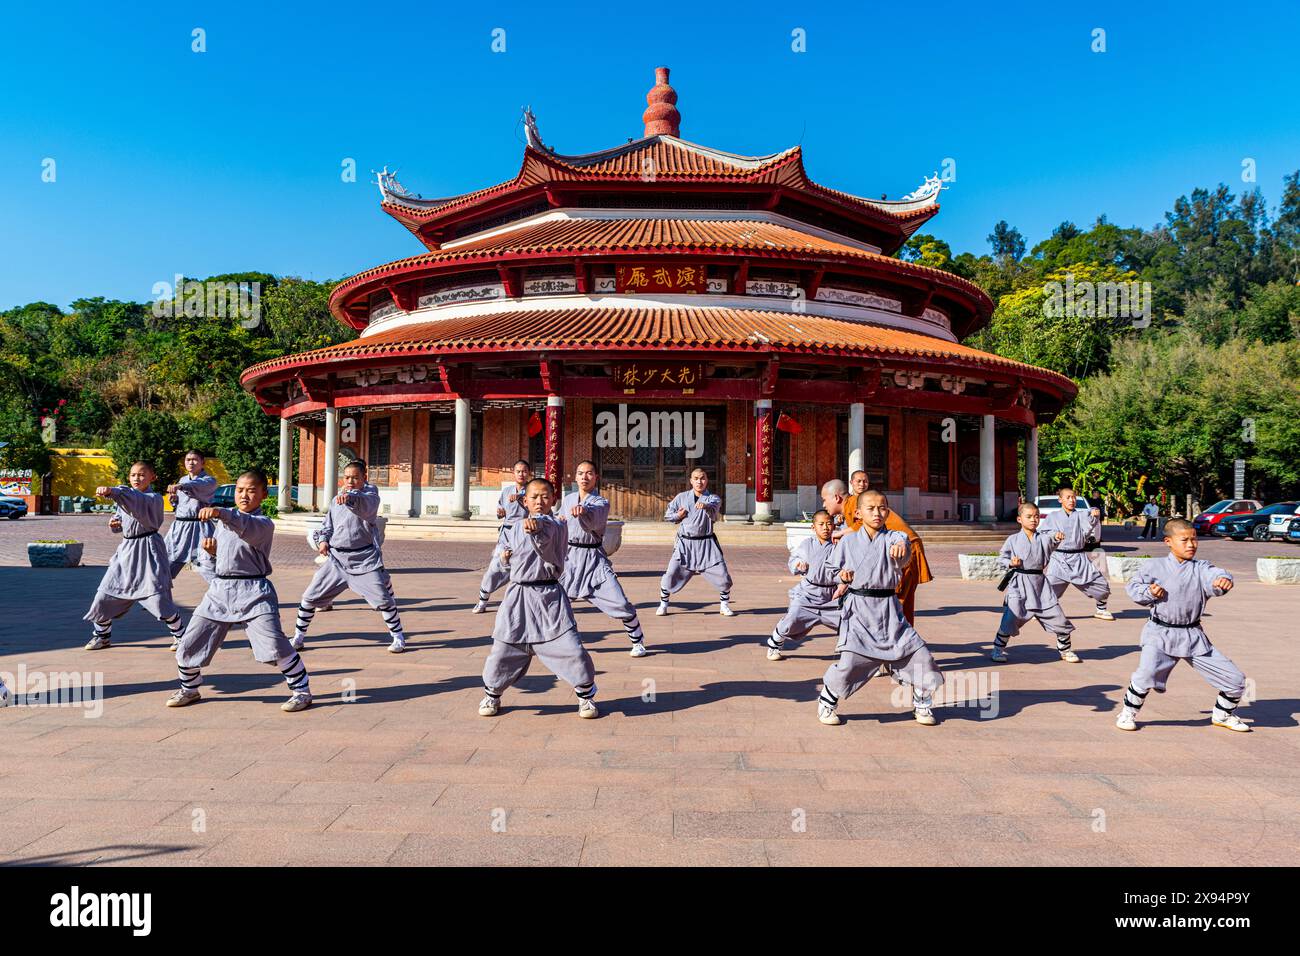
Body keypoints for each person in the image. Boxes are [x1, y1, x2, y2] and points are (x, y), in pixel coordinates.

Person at [168, 470, 311, 712]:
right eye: (240, 490)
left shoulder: (263, 524)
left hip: (254, 592)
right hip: (220, 591)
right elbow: (213, 565)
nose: (244, 495)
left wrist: (220, 512)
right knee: (189, 643)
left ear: (264, 494)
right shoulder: (223, 524)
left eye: (251, 490)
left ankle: (301, 692)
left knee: (275, 645)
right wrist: (213, 555)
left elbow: (245, 525)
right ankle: (190, 688)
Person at [817, 490, 943, 727]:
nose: (877, 513)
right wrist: (841, 576)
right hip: (860, 611)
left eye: (882, 508)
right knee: (851, 663)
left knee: (920, 656)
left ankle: (922, 702)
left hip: (889, 610)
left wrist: (900, 549)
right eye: (871, 508)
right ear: (857, 513)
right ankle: (827, 700)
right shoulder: (848, 541)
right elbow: (832, 569)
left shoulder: (895, 537)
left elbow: (903, 547)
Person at [478, 477, 600, 719]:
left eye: (545, 496)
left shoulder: (558, 526)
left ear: (554, 500)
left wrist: (537, 532)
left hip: (549, 598)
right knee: (502, 651)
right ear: (525, 501)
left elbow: (549, 548)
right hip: (518, 599)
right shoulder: (512, 529)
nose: (539, 501)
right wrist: (503, 560)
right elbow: (500, 563)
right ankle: (492, 694)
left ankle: (585, 696)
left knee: (572, 650)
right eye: (534, 497)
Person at [1116, 519, 1249, 733]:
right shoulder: (1154, 566)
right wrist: (1148, 592)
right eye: (1184, 540)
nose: (1191, 544)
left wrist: (1223, 580)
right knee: (1146, 674)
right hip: (1160, 633)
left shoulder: (1201, 567)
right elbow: (1133, 587)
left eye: (1194, 539)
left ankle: (1222, 714)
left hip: (1193, 635)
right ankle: (1127, 712)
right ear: (1169, 541)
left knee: (1236, 679)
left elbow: (1216, 575)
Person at [292, 460, 406, 653]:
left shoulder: (370, 496)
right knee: (309, 598)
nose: (350, 481)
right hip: (336, 561)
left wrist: (350, 498)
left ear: (364, 478)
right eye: (347, 477)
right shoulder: (336, 500)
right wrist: (323, 541)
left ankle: (398, 638)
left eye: (355, 477)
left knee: (384, 600)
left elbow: (365, 506)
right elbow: (327, 526)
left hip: (364, 561)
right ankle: (297, 638)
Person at [83, 462, 186, 651]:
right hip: (127, 551)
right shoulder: (127, 497)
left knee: (158, 597)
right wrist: (115, 524)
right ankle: (102, 636)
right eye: (133, 475)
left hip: (149, 550)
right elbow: (123, 520)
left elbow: (135, 501)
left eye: (141, 475)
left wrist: (113, 491)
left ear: (152, 477)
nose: (136, 478)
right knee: (105, 593)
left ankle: (181, 636)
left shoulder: (152, 498)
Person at [558, 460, 648, 657]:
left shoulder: (600, 503)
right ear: (575, 476)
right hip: (570, 559)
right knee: (554, 602)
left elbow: (594, 521)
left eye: (589, 473)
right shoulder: (568, 500)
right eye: (580, 473)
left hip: (594, 560)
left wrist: (584, 512)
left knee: (620, 602)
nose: (584, 477)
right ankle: (554, 644)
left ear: (596, 477)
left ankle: (637, 640)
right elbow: (560, 521)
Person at [842, 470, 932, 625]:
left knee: (898, 597)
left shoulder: (862, 500)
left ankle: (900, 636)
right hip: (902, 547)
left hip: (904, 548)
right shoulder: (856, 501)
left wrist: (839, 533)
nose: (862, 484)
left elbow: (859, 526)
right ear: (851, 483)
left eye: (865, 481)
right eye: (858, 481)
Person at [992, 502, 1078, 663]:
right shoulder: (1013, 539)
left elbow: (1052, 537)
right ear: (1019, 519)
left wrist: (1057, 536)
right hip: (1019, 584)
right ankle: (998, 649)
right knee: (1011, 618)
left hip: (1040, 585)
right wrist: (1011, 562)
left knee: (1058, 617)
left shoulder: (1044, 538)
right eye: (1029, 516)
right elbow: (1001, 558)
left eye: (1036, 516)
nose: (1033, 520)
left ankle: (1065, 650)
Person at [657, 467, 733, 616]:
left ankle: (724, 605)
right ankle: (663, 604)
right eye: (696, 478)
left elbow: (714, 507)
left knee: (723, 576)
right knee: (671, 574)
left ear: (707, 481)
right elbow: (668, 515)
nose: (699, 481)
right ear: (691, 481)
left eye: (702, 478)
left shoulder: (713, 498)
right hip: (686, 545)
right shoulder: (681, 497)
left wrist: (705, 506)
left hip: (707, 545)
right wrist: (678, 515)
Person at [767, 509, 840, 661]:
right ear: (813, 527)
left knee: (848, 621)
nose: (825, 527)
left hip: (831, 596)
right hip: (807, 594)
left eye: (829, 524)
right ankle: (775, 641)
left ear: (834, 526)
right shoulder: (807, 544)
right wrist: (798, 565)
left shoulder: (839, 546)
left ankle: (855, 654)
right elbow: (793, 560)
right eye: (821, 524)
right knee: (792, 618)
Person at [1039, 484, 1114, 621]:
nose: (1071, 500)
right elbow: (1044, 533)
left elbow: (1091, 514)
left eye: (1073, 497)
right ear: (1060, 500)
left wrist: (1094, 511)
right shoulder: (1053, 517)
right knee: (1049, 587)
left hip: (1079, 557)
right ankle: (1041, 611)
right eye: (1068, 497)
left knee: (1100, 583)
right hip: (1059, 558)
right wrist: (1054, 535)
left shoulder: (1080, 515)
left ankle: (1101, 609)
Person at [474, 460, 533, 613]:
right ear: (513, 473)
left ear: (529, 473)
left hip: (524, 535)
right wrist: (500, 512)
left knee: (524, 569)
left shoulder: (532, 491)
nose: (521, 474)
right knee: (495, 567)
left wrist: (521, 498)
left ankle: (524, 604)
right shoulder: (507, 491)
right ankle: (483, 599)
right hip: (506, 535)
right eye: (518, 471)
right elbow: (501, 508)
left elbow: (537, 510)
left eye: (524, 471)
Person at [164, 450, 218, 582]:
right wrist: (174, 499)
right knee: (166, 564)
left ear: (202, 462)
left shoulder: (209, 481)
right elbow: (179, 505)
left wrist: (182, 486)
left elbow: (197, 487)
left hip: (200, 528)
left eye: (194, 459)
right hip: (180, 528)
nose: (191, 462)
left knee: (206, 565)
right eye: (188, 460)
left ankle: (223, 594)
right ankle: (159, 596)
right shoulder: (182, 480)